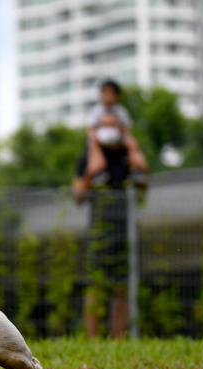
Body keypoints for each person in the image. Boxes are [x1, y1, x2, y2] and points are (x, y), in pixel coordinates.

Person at [72, 80, 148, 339]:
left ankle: (119, 338)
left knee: (120, 287)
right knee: (95, 284)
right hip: (98, 232)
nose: (108, 129)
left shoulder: (127, 157)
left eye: (113, 126)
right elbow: (78, 195)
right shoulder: (87, 156)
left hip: (124, 231)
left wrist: (132, 146)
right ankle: (92, 339)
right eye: (103, 126)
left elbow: (142, 179)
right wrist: (93, 161)